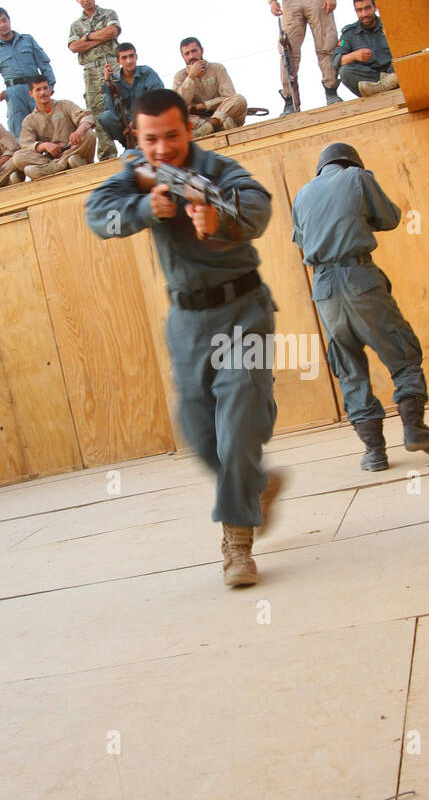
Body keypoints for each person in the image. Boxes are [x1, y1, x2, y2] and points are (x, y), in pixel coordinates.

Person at [85, 88, 282, 587]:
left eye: (172, 136)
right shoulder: (135, 172)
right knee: (198, 431)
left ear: (188, 130)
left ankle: (237, 543)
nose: (163, 149)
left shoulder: (217, 171)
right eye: (151, 139)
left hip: (243, 311)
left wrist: (222, 218)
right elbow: (98, 215)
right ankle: (254, 486)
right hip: (187, 323)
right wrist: (147, 208)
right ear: (137, 137)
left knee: (237, 418)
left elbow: (258, 207)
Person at [291, 141, 429, 470]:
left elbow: (303, 240)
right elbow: (389, 217)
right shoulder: (358, 178)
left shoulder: (302, 195)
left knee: (348, 368)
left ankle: (374, 452)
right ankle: (414, 428)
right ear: (350, 163)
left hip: (323, 290)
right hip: (359, 278)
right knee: (401, 352)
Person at [0, 8, 55, 138]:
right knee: (21, 135)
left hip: (35, 88)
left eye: (4, 20)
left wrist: (50, 86)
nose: (2, 25)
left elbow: (44, 63)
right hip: (13, 94)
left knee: (48, 125)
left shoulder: (27, 40)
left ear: (9, 20)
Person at [67, 0, 121, 161]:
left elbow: (112, 31)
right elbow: (74, 46)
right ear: (76, 0)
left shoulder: (108, 13)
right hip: (90, 71)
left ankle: (134, 145)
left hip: (111, 64)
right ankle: (107, 154)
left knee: (121, 103)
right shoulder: (76, 25)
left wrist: (89, 37)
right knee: (96, 111)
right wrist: (100, 38)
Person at [13, 77, 97, 178]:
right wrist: (44, 146)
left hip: (73, 148)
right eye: (38, 90)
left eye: (45, 88)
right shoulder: (29, 120)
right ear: (31, 94)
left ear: (51, 90)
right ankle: (66, 163)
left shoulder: (65, 105)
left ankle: (57, 166)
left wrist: (78, 132)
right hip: (50, 158)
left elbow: (87, 117)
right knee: (18, 157)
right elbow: (26, 144)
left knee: (89, 134)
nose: (43, 92)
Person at [172, 37, 248, 137]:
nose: (191, 56)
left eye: (194, 51)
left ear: (201, 50)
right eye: (187, 53)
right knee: (174, 115)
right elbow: (178, 105)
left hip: (223, 113)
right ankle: (218, 126)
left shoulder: (217, 68)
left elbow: (229, 97)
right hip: (199, 122)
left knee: (239, 99)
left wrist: (204, 105)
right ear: (183, 56)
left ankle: (209, 128)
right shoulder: (180, 76)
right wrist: (191, 77)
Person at [333, 0, 401, 99]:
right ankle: (387, 85)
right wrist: (355, 55)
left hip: (393, 70)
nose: (364, 14)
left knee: (408, 56)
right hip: (370, 77)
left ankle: (385, 85)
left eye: (367, 8)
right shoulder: (349, 33)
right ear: (355, 11)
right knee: (345, 71)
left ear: (375, 7)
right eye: (359, 10)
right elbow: (337, 60)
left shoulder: (391, 24)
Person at [99, 43, 163, 149]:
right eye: (124, 58)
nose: (129, 61)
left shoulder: (147, 72)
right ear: (118, 61)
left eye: (131, 56)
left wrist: (135, 122)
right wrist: (107, 81)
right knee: (105, 117)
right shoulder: (113, 80)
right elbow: (109, 109)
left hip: (148, 120)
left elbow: (158, 99)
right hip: (127, 127)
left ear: (136, 57)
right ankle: (129, 145)